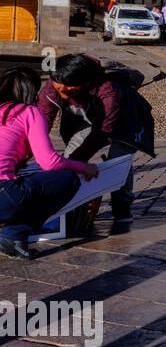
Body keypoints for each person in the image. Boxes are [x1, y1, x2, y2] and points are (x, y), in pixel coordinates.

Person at [38, 54, 150, 223]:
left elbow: (102, 131)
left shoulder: (108, 90)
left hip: (126, 119)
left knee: (118, 162)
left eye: (69, 91)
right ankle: (67, 207)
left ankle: (122, 209)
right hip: (88, 116)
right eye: (60, 90)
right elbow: (41, 122)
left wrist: (77, 161)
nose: (65, 96)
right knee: (68, 158)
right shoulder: (54, 83)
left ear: (84, 83)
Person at [0, 68, 97, 259]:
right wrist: (83, 167)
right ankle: (13, 235)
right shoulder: (30, 112)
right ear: (32, 92)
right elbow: (48, 162)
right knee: (67, 179)